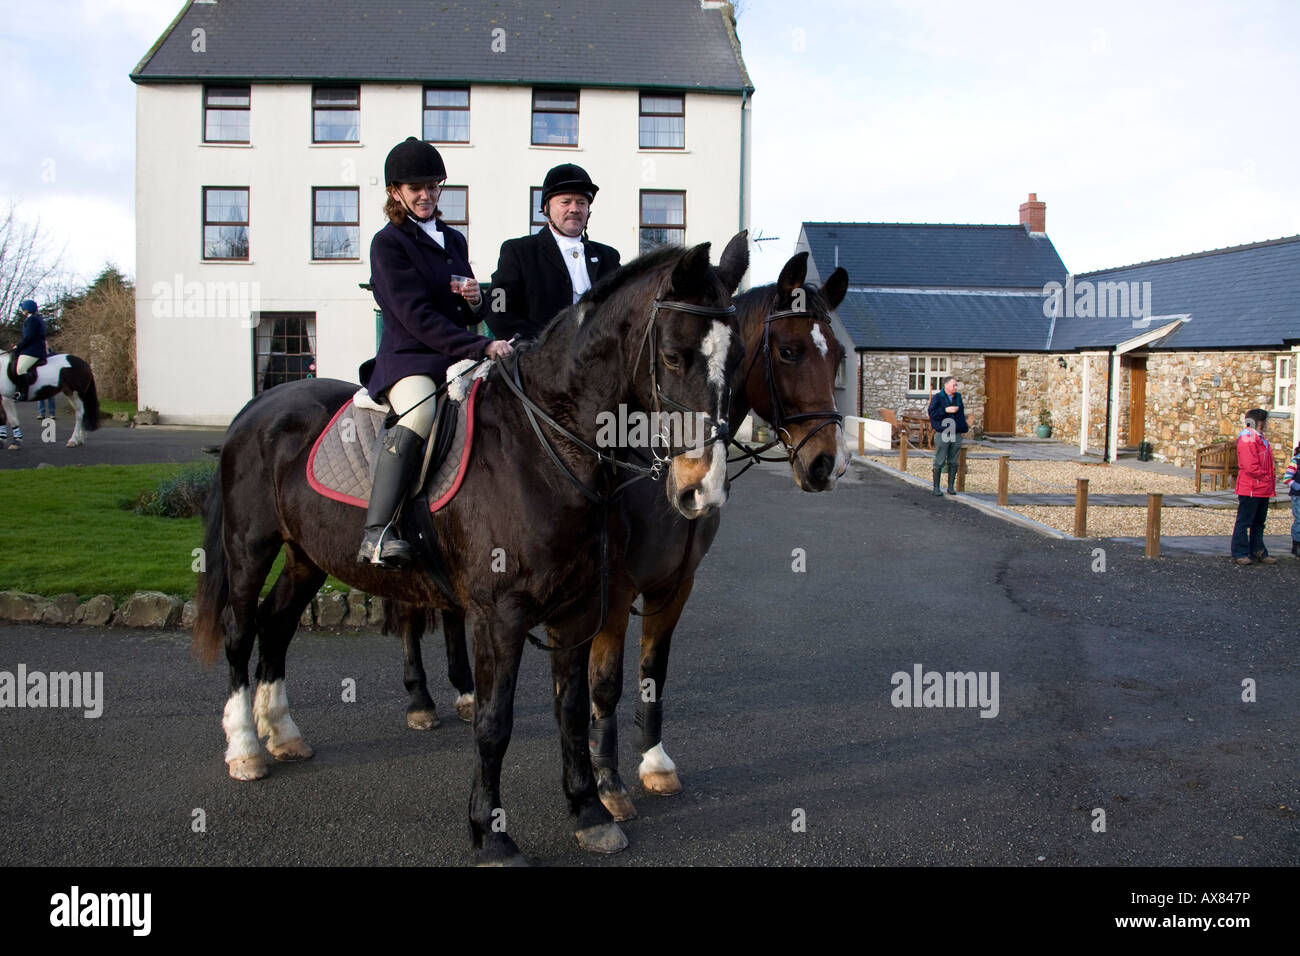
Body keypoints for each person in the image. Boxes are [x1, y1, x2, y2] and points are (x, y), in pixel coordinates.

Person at [357, 137, 514, 568]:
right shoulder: (387, 243)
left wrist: (474, 299)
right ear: (395, 193)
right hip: (409, 357)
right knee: (420, 414)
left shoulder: (453, 239)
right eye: (415, 188)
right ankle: (377, 533)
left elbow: (469, 309)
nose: (426, 195)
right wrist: (481, 344)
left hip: (454, 354)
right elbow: (416, 318)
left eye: (432, 186)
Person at [486, 163, 621, 341]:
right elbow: (497, 307)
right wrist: (536, 344)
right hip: (539, 358)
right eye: (565, 202)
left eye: (581, 203)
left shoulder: (608, 256)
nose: (574, 208)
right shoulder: (518, 251)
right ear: (547, 208)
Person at [1230, 408, 1277, 565]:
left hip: (1261, 487)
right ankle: (1240, 552)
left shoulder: (1259, 438)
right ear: (1261, 422)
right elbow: (1250, 466)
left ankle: (1258, 550)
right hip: (1251, 487)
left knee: (1258, 522)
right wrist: (1266, 477)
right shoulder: (1248, 438)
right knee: (1244, 522)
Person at [927, 376, 968, 496]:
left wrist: (963, 428)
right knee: (939, 460)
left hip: (956, 432)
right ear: (946, 385)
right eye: (953, 385)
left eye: (956, 385)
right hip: (943, 432)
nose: (955, 387)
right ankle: (936, 487)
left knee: (953, 461)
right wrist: (945, 410)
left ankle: (950, 487)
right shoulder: (938, 398)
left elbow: (961, 414)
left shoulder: (958, 397)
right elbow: (932, 413)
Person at [8, 299, 46, 402]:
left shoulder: (32, 320)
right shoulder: (34, 319)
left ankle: (23, 393)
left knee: (20, 369)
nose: (22, 311)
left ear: (26, 309)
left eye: (23, 309)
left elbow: (29, 337)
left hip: (33, 351)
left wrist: (18, 346)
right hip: (31, 349)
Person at [1283, 439, 1300, 558]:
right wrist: (1297, 486)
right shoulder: (1296, 461)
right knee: (1299, 520)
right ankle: (1297, 544)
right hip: (1298, 496)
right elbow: (1287, 478)